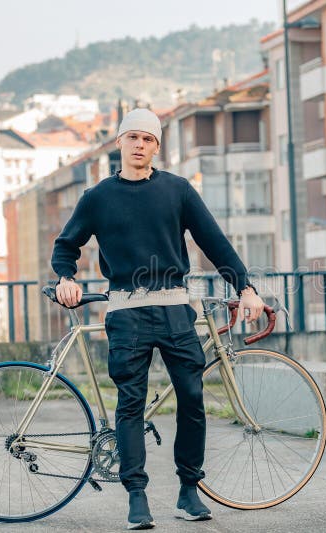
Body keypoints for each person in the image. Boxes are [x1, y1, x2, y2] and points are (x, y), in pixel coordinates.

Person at [51, 108, 265, 530]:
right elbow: (65, 246)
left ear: (156, 146)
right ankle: (136, 496)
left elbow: (214, 243)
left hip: (174, 310)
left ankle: (189, 492)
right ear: (119, 142)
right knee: (129, 404)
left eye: (148, 139)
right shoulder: (96, 197)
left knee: (193, 399)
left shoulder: (178, 190)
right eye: (132, 137)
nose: (139, 145)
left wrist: (246, 287)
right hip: (125, 313)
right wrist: (65, 278)